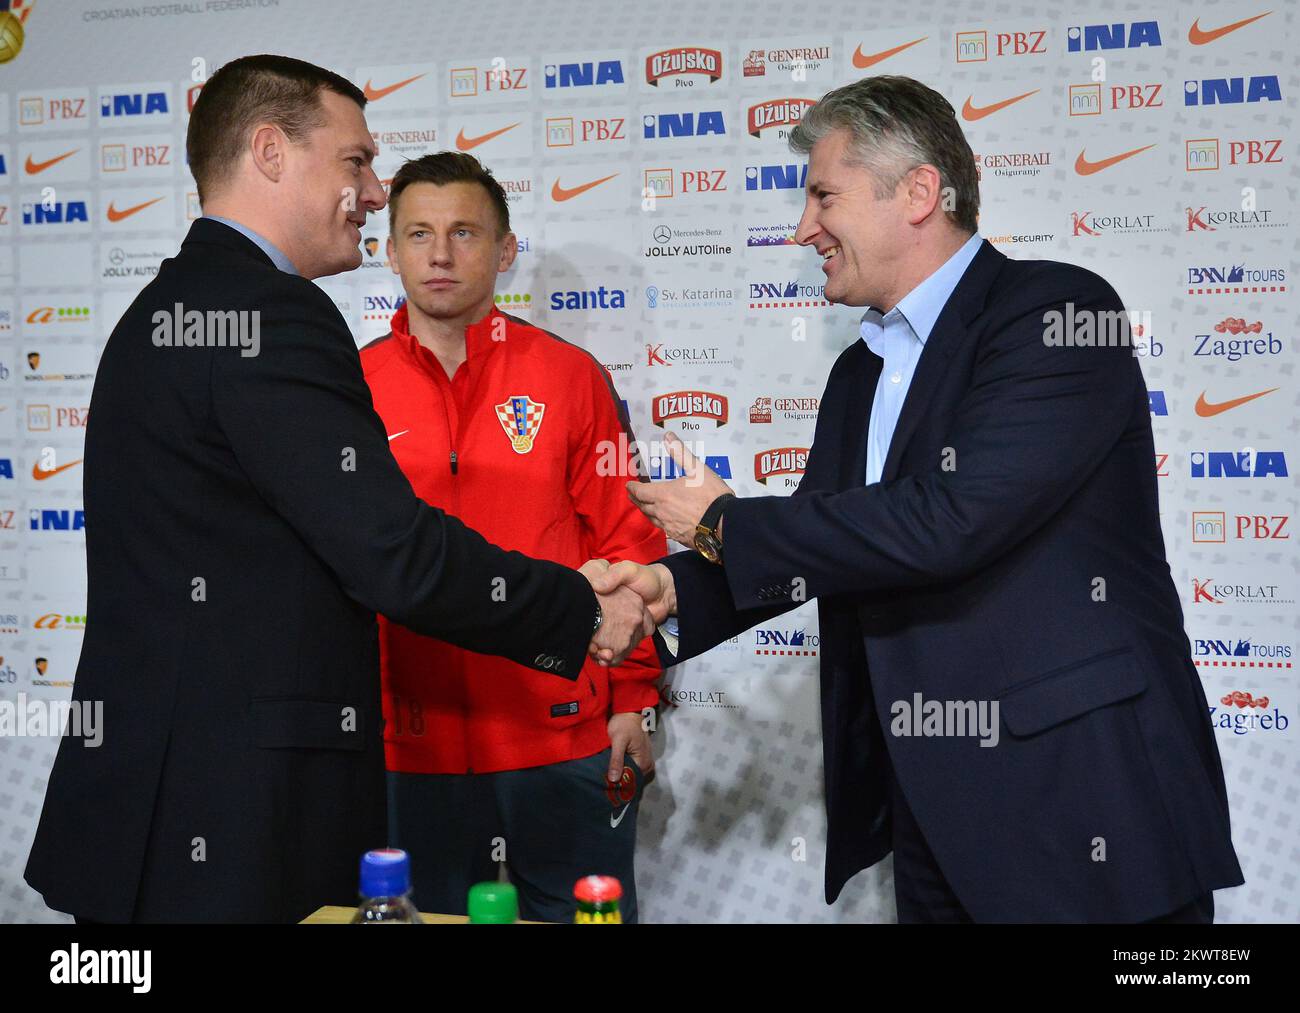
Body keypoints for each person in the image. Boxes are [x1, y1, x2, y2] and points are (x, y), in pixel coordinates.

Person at [595, 75, 1244, 923]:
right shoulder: (858, 370)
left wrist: (721, 520)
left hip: (1084, 798)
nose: (802, 228)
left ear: (919, 192)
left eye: (824, 196)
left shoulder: (1057, 312)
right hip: (932, 809)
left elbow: (952, 518)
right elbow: (825, 542)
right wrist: (669, 589)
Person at [23, 54, 651, 924]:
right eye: (356, 161)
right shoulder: (271, 314)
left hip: (161, 804)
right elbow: (396, 554)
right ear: (270, 152)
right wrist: (581, 609)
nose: (372, 190)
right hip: (231, 816)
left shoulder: (163, 307)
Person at [359, 152, 666, 922]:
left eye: (464, 232)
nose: (439, 253)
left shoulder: (570, 376)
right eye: (419, 233)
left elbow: (626, 541)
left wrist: (632, 699)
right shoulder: (349, 387)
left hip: (560, 740)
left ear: (504, 250)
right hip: (406, 750)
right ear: (388, 251)